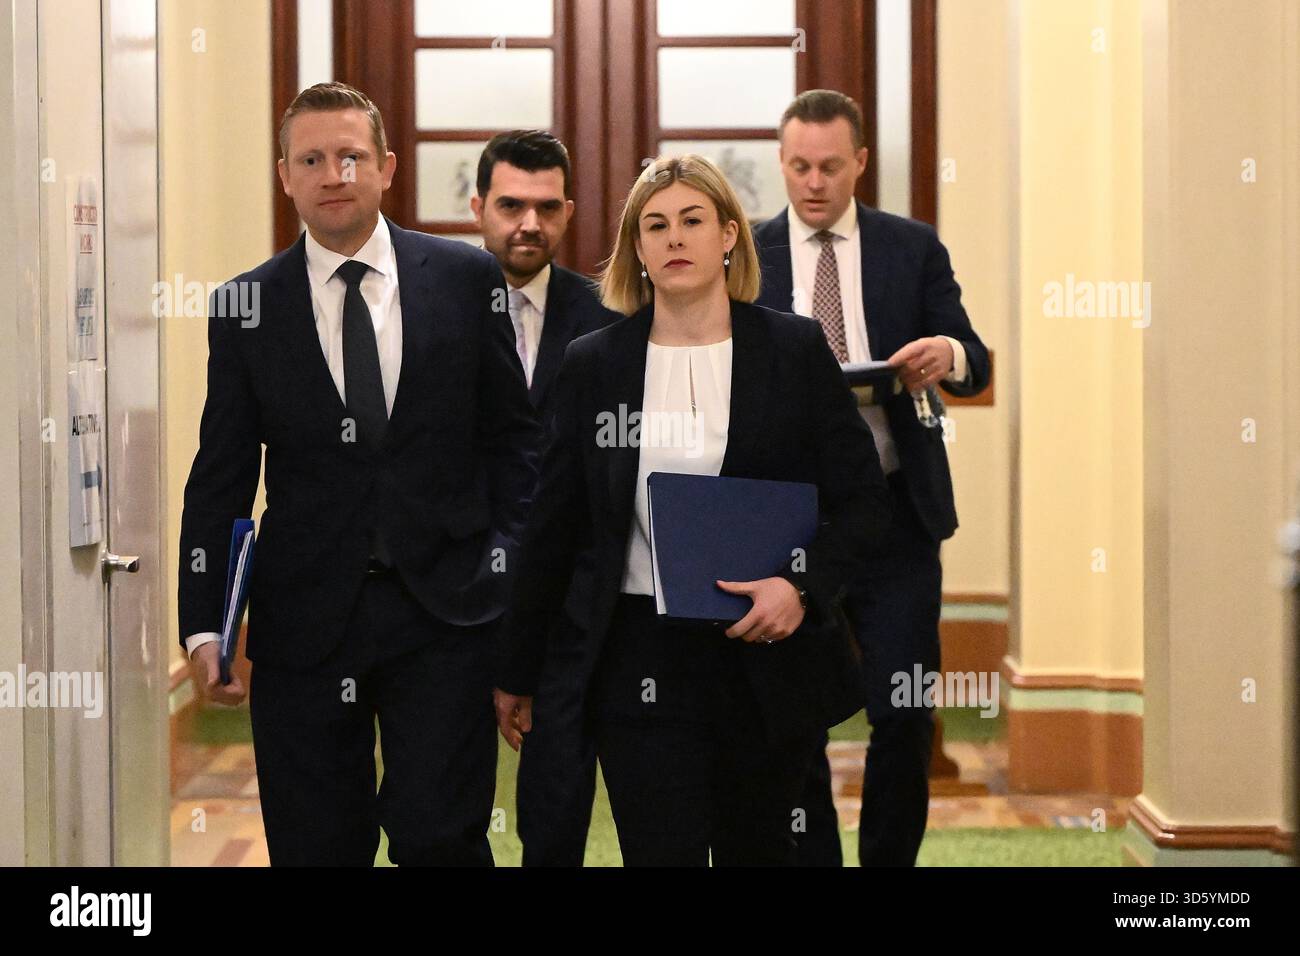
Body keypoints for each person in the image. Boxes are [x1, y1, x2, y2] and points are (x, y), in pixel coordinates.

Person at [177, 82, 539, 866]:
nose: (332, 173)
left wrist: (506, 576)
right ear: (285, 175)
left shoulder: (465, 279)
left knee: (441, 838)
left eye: (351, 156)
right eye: (312, 159)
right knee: (315, 846)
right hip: (304, 623)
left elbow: (517, 446)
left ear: (387, 168)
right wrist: (206, 621)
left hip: (445, 614)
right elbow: (221, 474)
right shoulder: (245, 306)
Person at [493, 154, 890, 866]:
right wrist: (516, 672)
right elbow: (552, 529)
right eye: (655, 225)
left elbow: (863, 503)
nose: (675, 238)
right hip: (638, 654)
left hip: (765, 648)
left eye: (693, 220)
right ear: (637, 250)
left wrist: (799, 587)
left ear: (730, 234)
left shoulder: (793, 350)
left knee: (765, 850)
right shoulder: (595, 364)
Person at [752, 89, 991, 866]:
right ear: (781, 164)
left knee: (905, 707)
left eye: (829, 166)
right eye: (798, 166)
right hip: (790, 518)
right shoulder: (748, 253)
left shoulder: (910, 247)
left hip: (893, 512)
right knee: (796, 715)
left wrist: (944, 354)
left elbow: (974, 358)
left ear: (859, 161)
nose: (813, 183)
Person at [470, 129, 618, 866]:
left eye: (547, 207)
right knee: (445, 802)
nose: (529, 223)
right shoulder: (428, 306)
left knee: (555, 803)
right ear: (478, 207)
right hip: (455, 590)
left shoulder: (611, 320)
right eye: (510, 205)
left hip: (569, 596)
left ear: (568, 212)